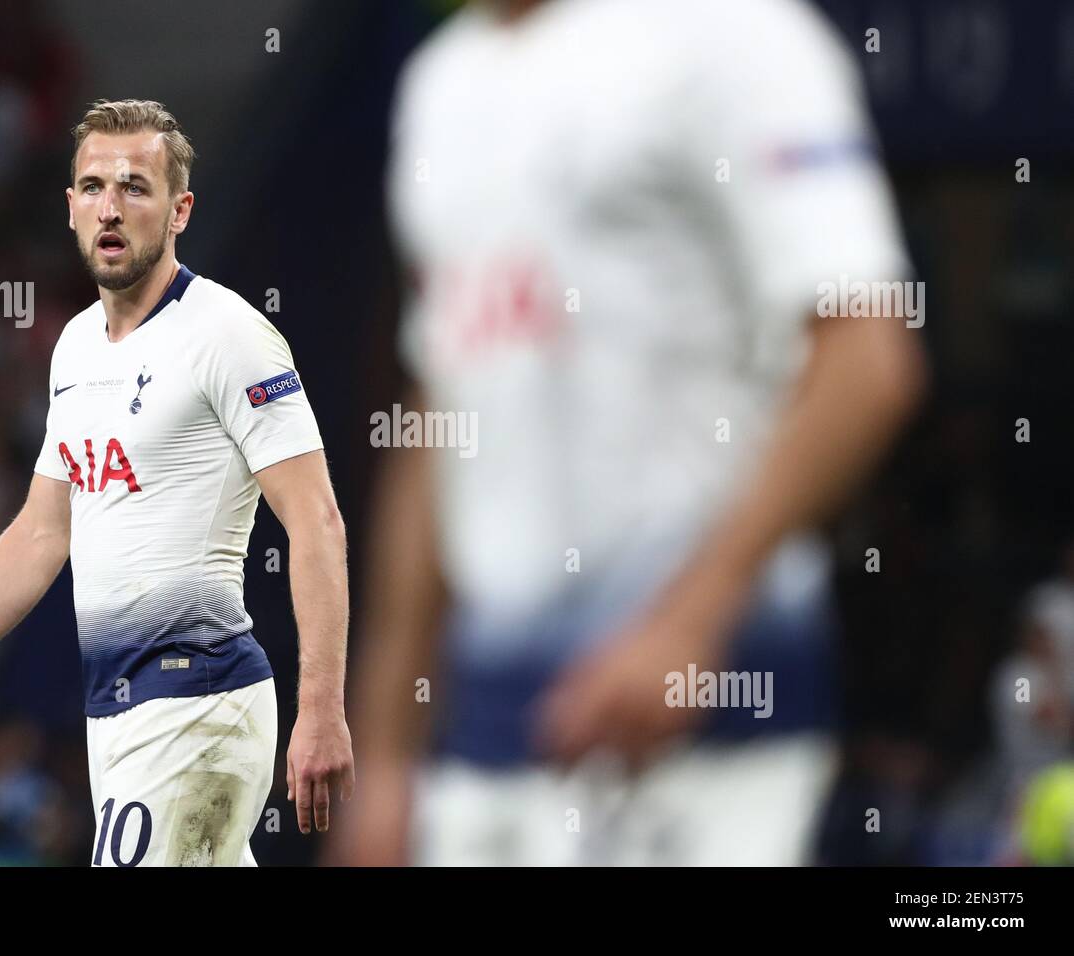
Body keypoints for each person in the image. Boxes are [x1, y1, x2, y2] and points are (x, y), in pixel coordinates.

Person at [335, 0, 926, 865]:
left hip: (712, 753)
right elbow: (442, 420)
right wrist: (383, 756)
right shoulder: (442, 81)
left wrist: (686, 624)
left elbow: (869, 361)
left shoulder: (737, 31)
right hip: (486, 749)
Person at [0, 99, 354, 866]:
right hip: (116, 712)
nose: (111, 207)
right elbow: (40, 532)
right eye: (93, 187)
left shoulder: (227, 335)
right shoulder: (76, 348)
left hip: (199, 700)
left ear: (180, 209)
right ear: (69, 207)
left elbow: (316, 519)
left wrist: (321, 707)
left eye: (136, 186)